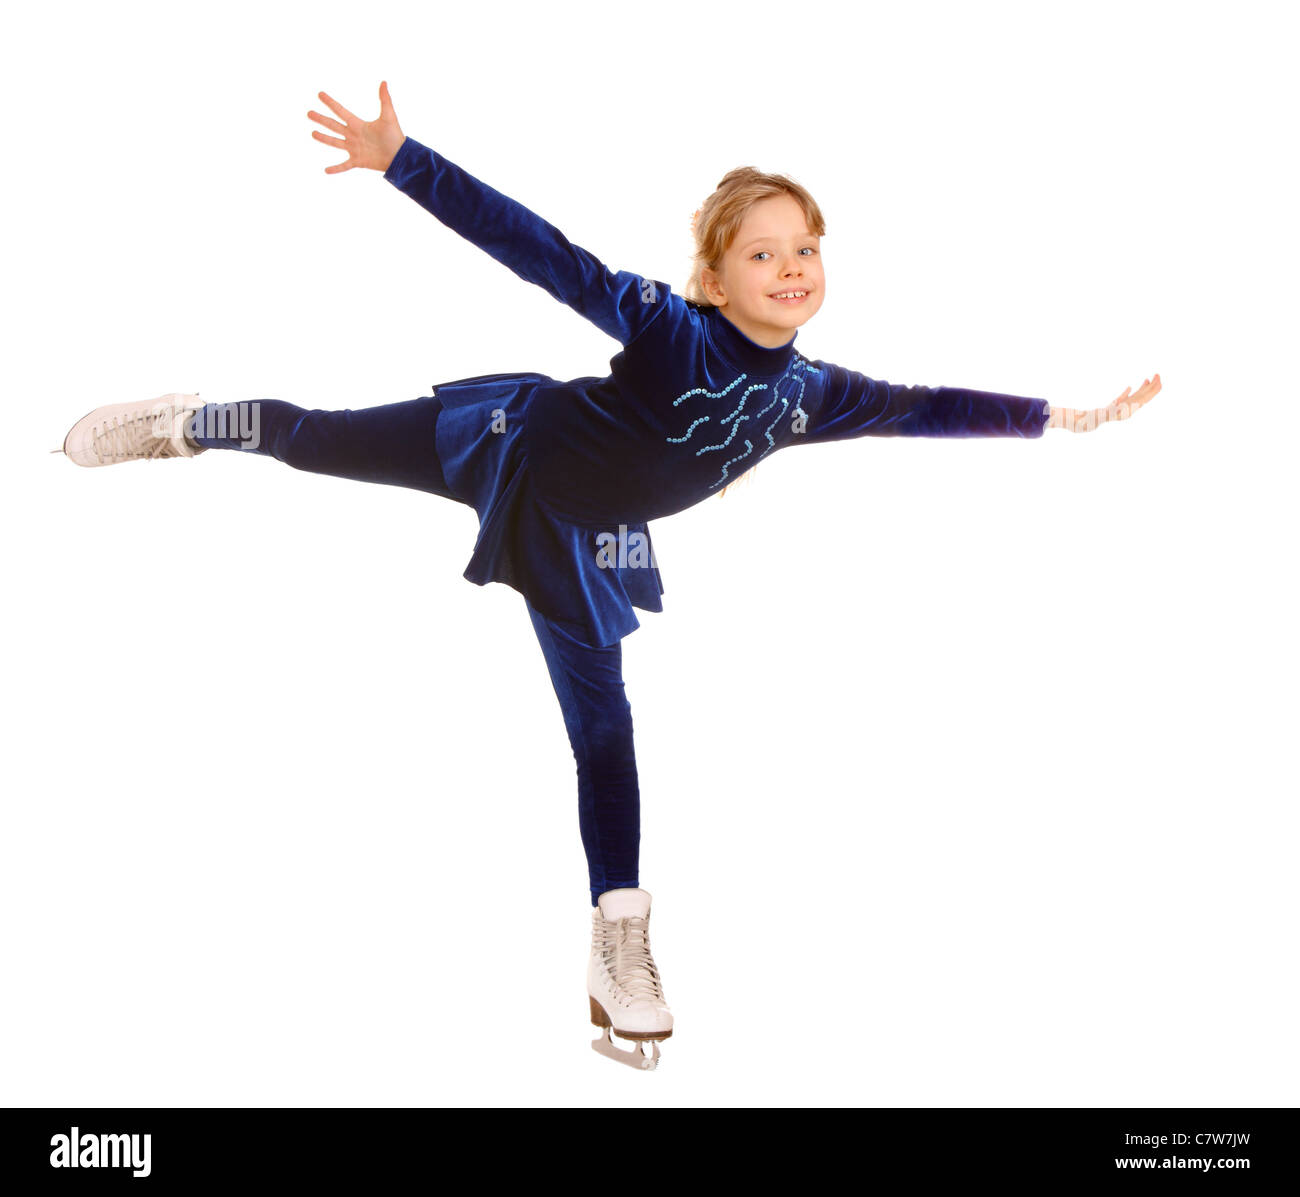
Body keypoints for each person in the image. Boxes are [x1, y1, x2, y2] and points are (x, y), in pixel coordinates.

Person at [59, 81, 1162, 1071]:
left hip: (581, 543)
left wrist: (1063, 417)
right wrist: (405, 160)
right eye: (763, 251)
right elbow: (544, 253)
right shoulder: (666, 328)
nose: (791, 268)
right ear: (715, 275)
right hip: (501, 442)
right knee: (311, 437)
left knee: (605, 737)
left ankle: (618, 937)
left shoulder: (809, 396)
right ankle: (189, 422)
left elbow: (924, 407)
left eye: (806, 247)